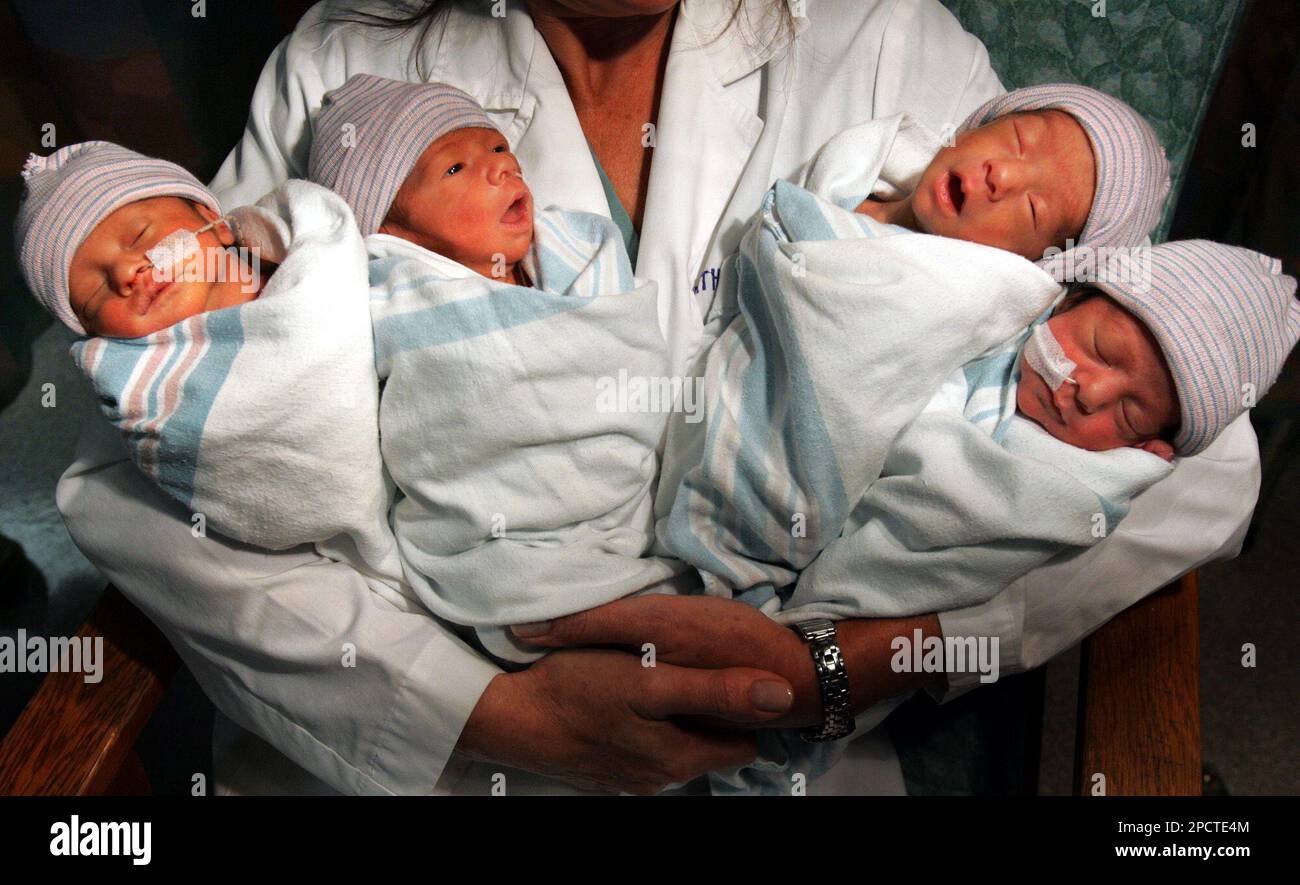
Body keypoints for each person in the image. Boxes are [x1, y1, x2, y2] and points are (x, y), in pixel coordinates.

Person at [55, 0, 1260, 795]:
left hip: (762, 731)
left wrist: (843, 664)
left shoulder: (898, 53)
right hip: (439, 712)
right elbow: (176, 470)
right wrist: (486, 711)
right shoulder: (344, 72)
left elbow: (1187, 440)